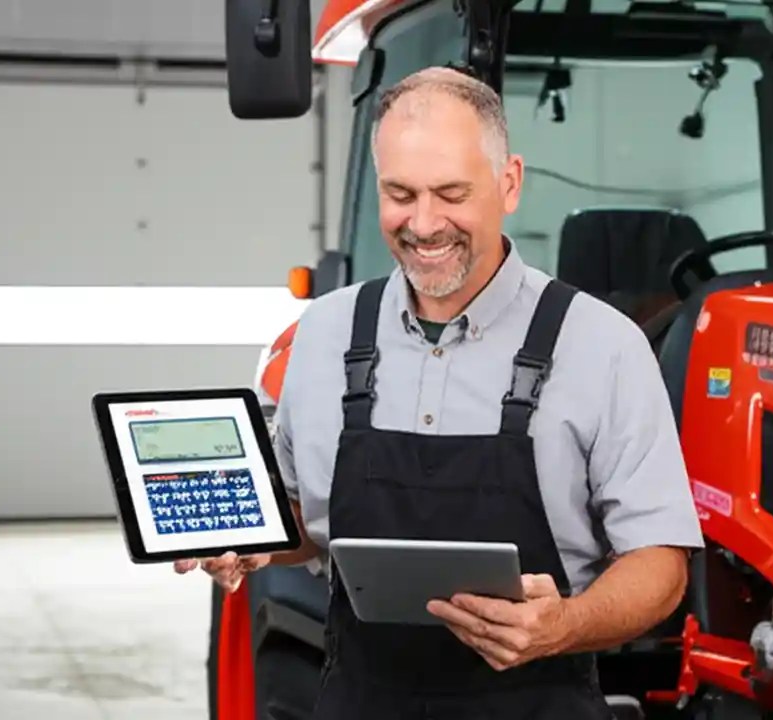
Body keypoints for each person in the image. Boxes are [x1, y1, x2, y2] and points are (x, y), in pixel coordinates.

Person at [175, 65, 704, 718]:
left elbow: (660, 564)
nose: (423, 224)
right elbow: (305, 519)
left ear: (508, 183)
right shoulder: (325, 333)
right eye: (401, 193)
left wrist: (565, 623)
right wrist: (250, 535)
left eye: (451, 193)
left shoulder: (604, 346)